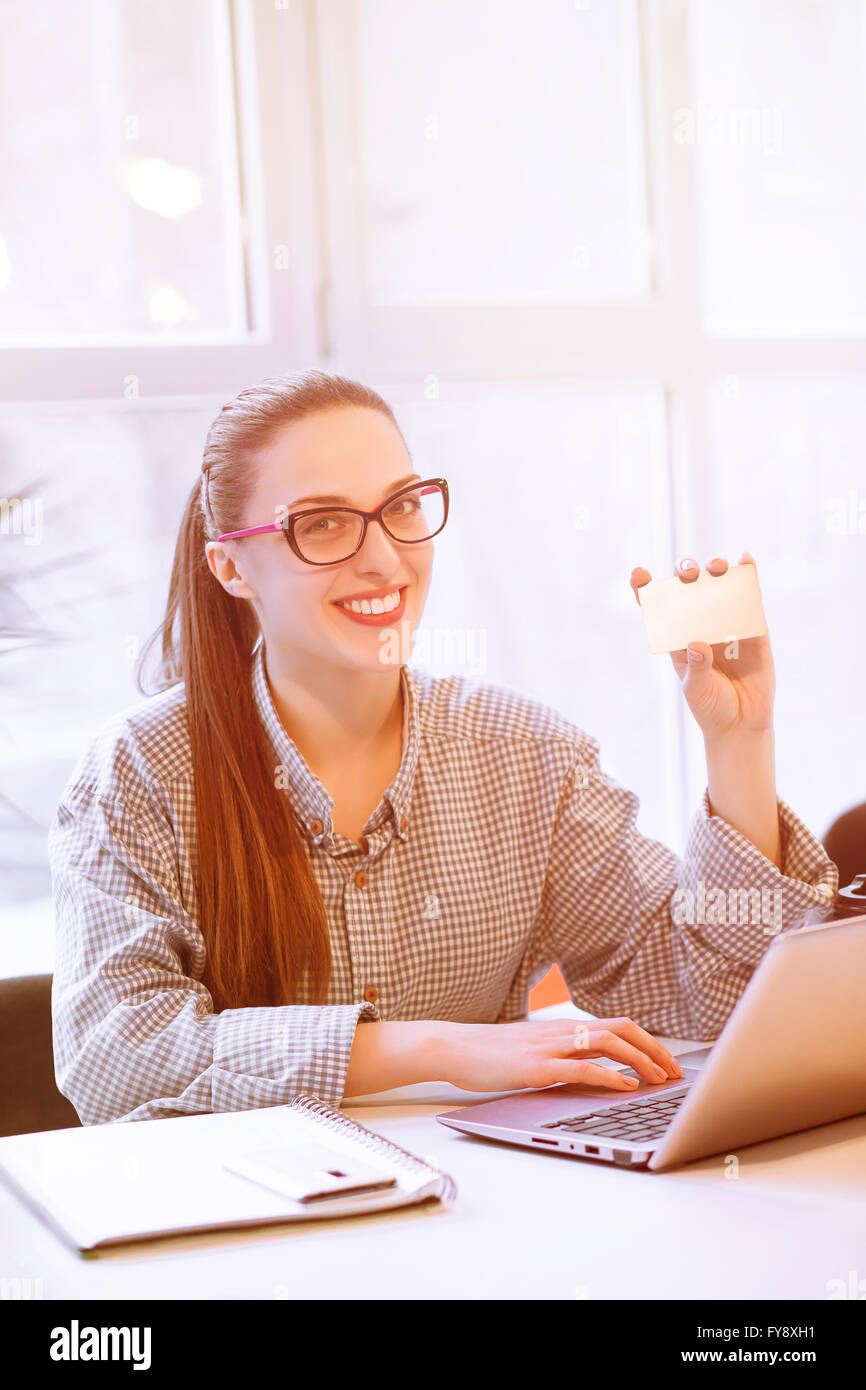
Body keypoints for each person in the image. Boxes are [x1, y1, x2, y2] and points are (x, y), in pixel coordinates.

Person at [48, 369, 838, 1125]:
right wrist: (436, 1047)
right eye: (322, 523)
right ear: (231, 565)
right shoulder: (138, 771)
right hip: (230, 1236)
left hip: (470, 1214)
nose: (384, 559)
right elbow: (118, 1054)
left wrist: (740, 741)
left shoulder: (523, 754)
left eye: (401, 507)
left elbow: (716, 1002)